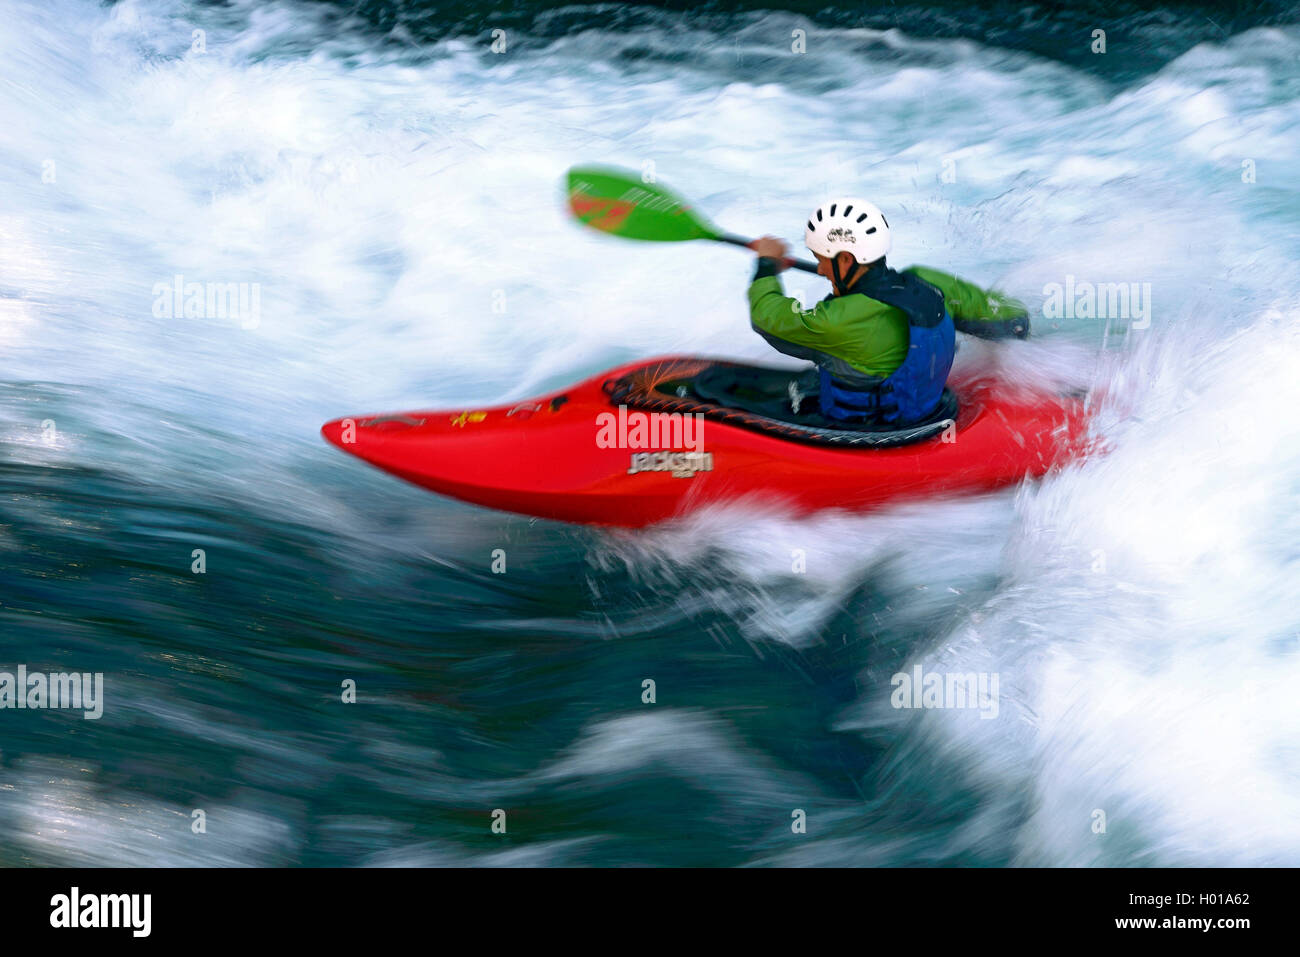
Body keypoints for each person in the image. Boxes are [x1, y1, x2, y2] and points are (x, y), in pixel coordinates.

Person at [748, 198, 1028, 426]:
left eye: (821, 260)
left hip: (866, 430)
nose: (820, 270)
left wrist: (766, 266)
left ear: (846, 259)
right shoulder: (927, 282)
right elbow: (1004, 319)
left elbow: (766, 316)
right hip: (931, 412)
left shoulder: (837, 321)